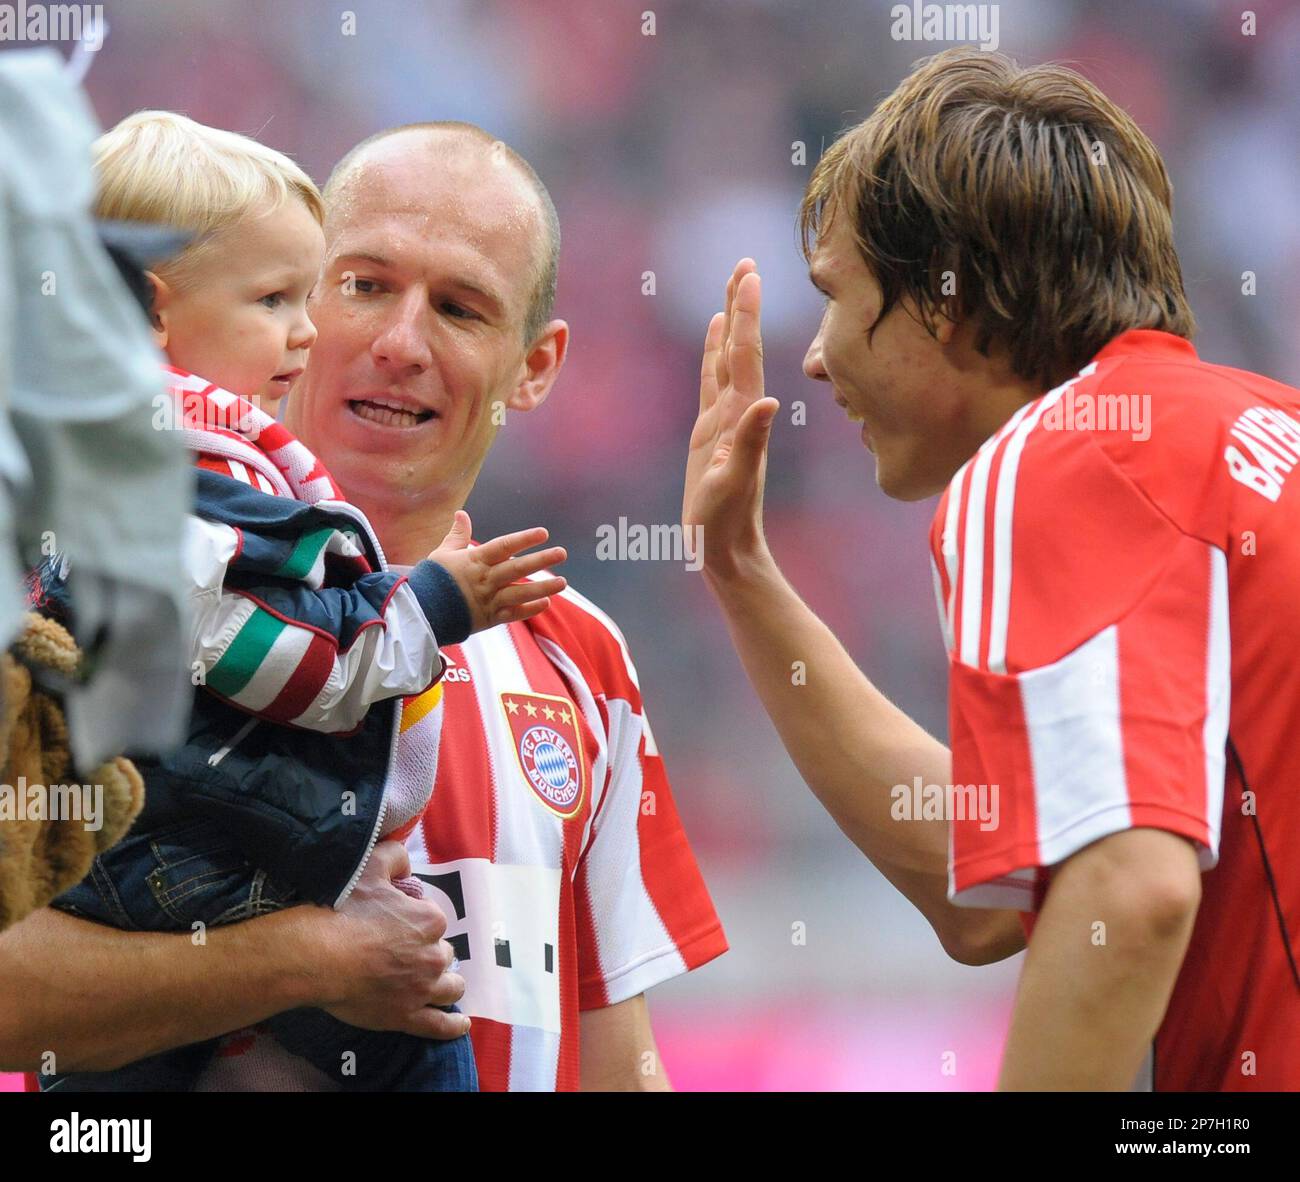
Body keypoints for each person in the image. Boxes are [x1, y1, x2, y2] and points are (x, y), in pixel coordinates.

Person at [0, 121, 726, 1092]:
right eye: (363, 284)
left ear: (536, 365)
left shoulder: (578, 653)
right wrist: (316, 961)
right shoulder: (69, 595)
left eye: (461, 309)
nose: (397, 343)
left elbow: (614, 1055)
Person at [682, 48, 1299, 1091]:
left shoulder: (1063, 456)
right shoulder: (1257, 429)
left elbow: (1127, 890)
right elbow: (989, 899)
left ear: (945, 300)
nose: (816, 356)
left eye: (837, 294)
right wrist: (741, 571)